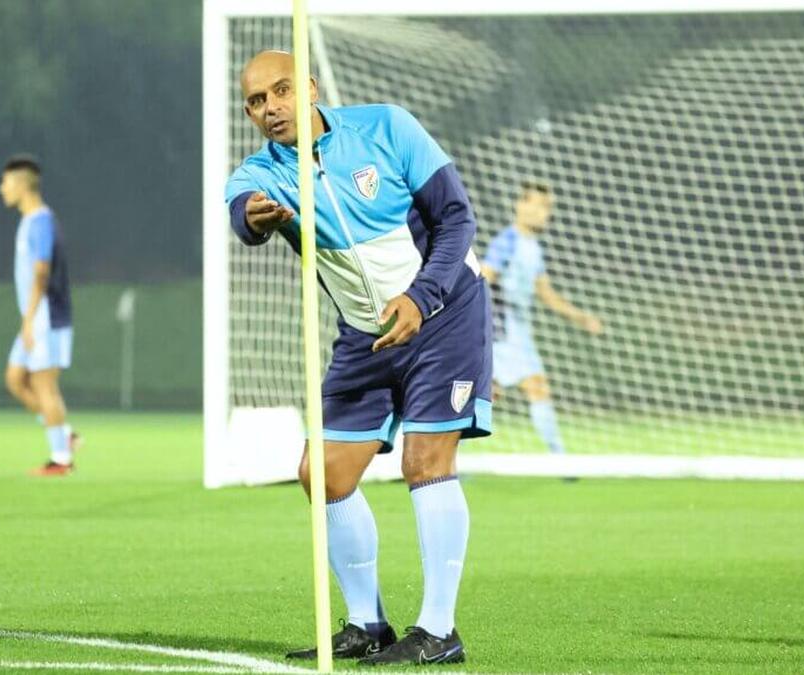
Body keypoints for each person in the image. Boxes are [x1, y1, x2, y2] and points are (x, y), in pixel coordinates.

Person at [226, 51, 491, 666]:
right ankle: (369, 623)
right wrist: (257, 218)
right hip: (362, 335)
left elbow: (457, 219)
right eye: (258, 101)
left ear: (311, 88)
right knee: (324, 474)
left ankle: (439, 630)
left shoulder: (387, 127)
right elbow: (244, 217)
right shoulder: (256, 175)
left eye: (283, 91)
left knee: (425, 461)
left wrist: (422, 298)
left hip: (444, 312)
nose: (272, 108)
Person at [481, 182, 603, 456]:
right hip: (502, 325)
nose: (543, 213)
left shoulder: (533, 248)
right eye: (538, 205)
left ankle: (446, 462)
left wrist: (582, 318)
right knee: (535, 387)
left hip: (516, 326)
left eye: (548, 207)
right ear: (520, 205)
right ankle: (560, 458)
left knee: (488, 394)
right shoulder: (508, 241)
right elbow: (484, 278)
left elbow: (547, 294)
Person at [0, 154, 79, 477]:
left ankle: (61, 459)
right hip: (33, 318)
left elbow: (42, 272)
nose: (1, 189)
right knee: (16, 379)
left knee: (45, 387)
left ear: (20, 184)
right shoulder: (29, 220)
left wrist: (30, 319)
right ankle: (66, 433)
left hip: (45, 317)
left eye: (4, 182)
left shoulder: (42, 221)